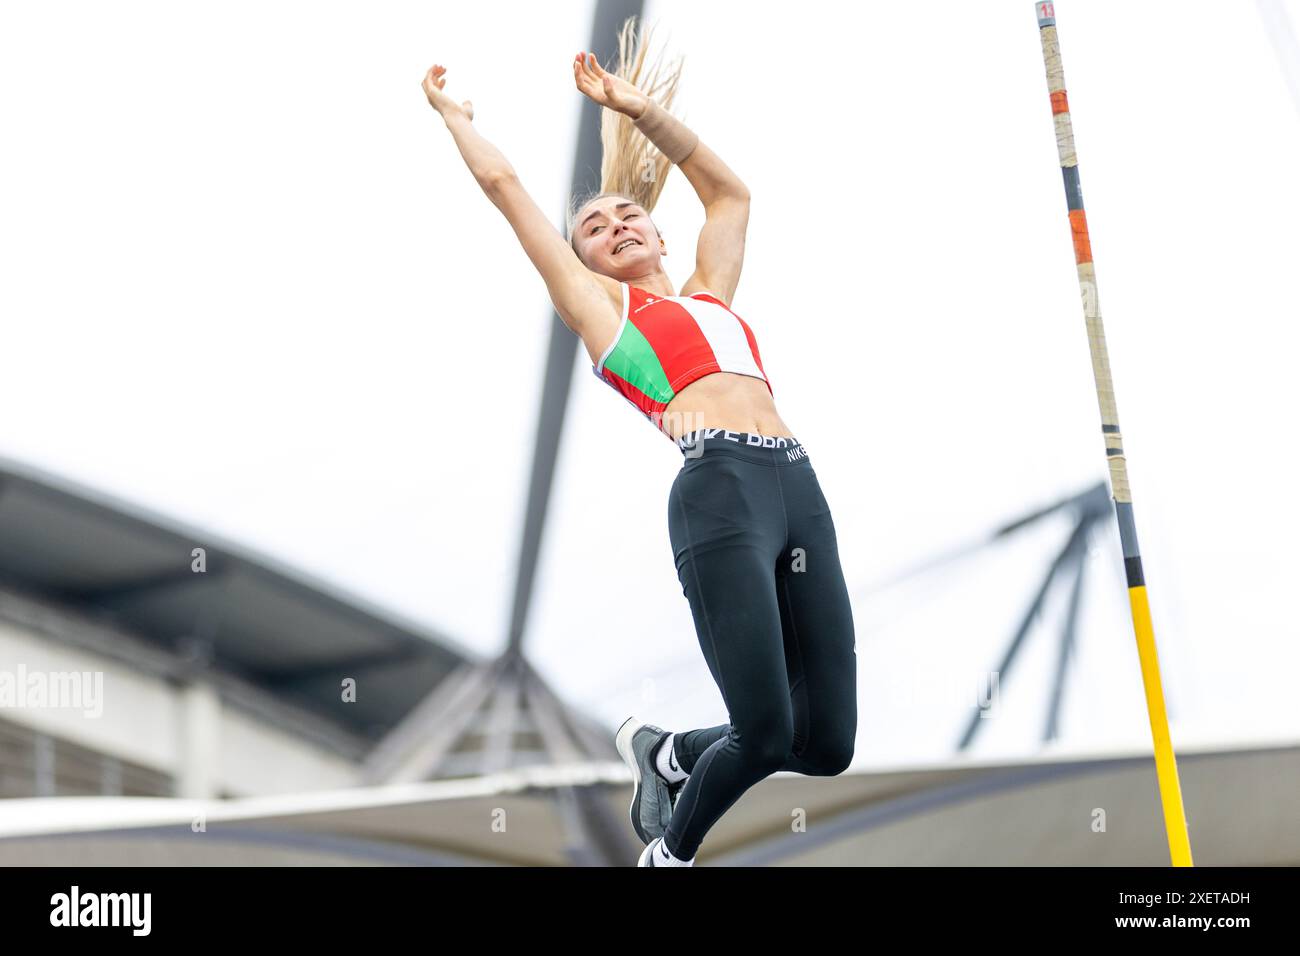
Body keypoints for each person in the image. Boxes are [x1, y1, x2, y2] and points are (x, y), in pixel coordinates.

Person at [422, 17, 857, 867]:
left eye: (630, 214)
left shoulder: (712, 297)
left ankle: (669, 751)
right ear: (585, 261)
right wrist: (456, 118)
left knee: (826, 745)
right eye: (594, 228)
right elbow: (508, 189)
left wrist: (637, 109)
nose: (617, 224)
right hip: (720, 490)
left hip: (798, 488)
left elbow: (730, 194)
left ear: (658, 233)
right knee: (765, 732)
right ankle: (669, 856)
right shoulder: (607, 315)